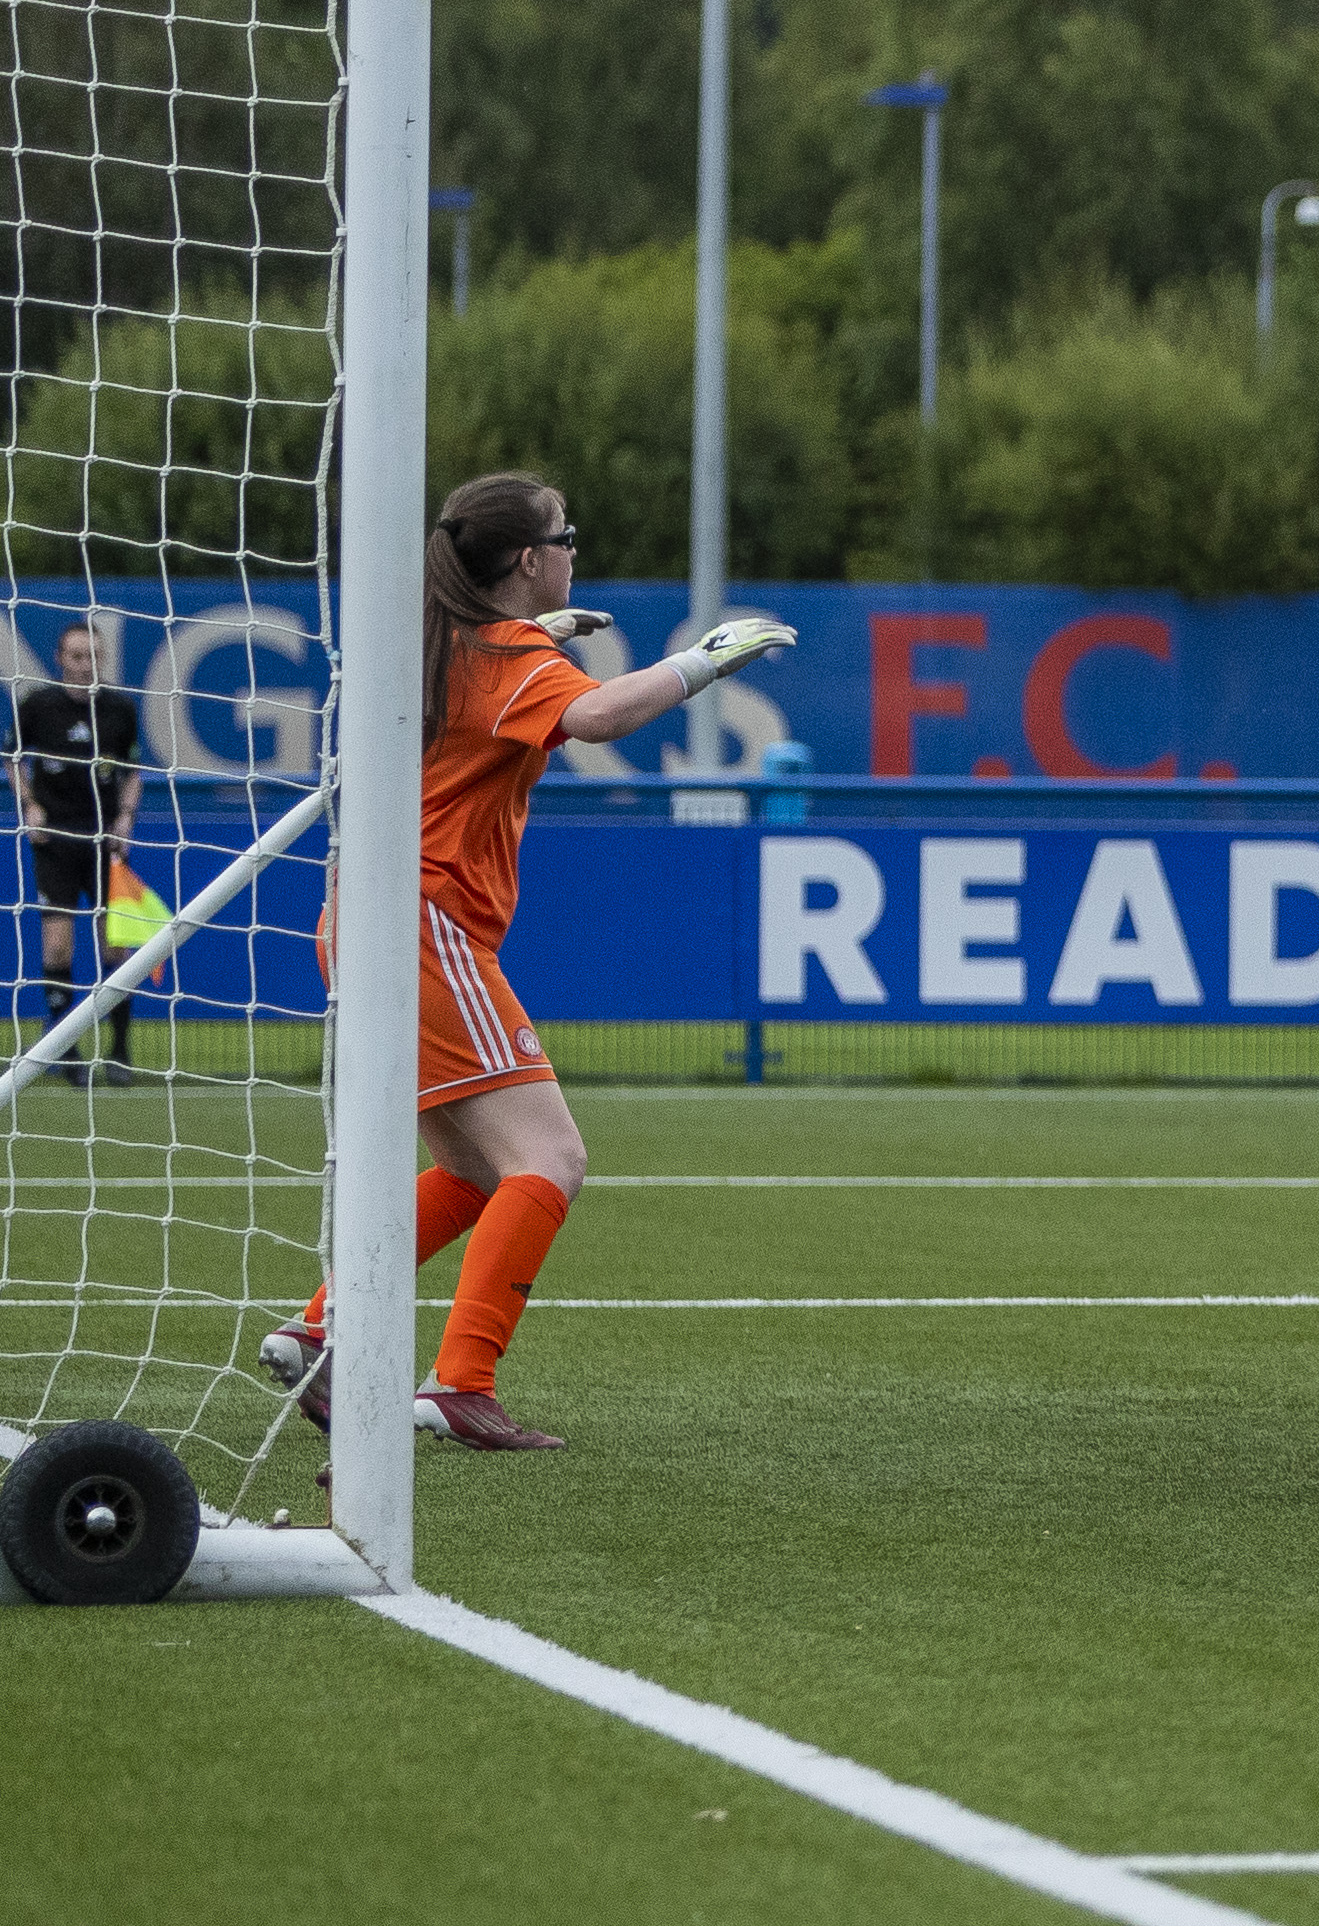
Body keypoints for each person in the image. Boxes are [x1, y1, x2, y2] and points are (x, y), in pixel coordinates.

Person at [261, 474, 795, 1450]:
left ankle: (323, 1327)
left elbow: (506, 672)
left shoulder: (441, 636)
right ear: (525, 560)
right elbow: (596, 718)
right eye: (566, 536)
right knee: (551, 1155)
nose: (573, 550)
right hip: (424, 924)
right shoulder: (507, 650)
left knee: (471, 1170)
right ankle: (461, 1381)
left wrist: (548, 635)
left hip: (363, 916)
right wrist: (706, 662)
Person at [16, 621, 146, 1090]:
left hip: (105, 840)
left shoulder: (119, 709)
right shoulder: (37, 705)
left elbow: (133, 771)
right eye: (76, 656)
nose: (84, 664)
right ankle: (64, 1048)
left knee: (115, 944)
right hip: (55, 840)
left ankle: (120, 1049)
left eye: (93, 655)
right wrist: (30, 805)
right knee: (57, 946)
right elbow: (9, 757)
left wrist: (126, 818)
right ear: (60, 658)